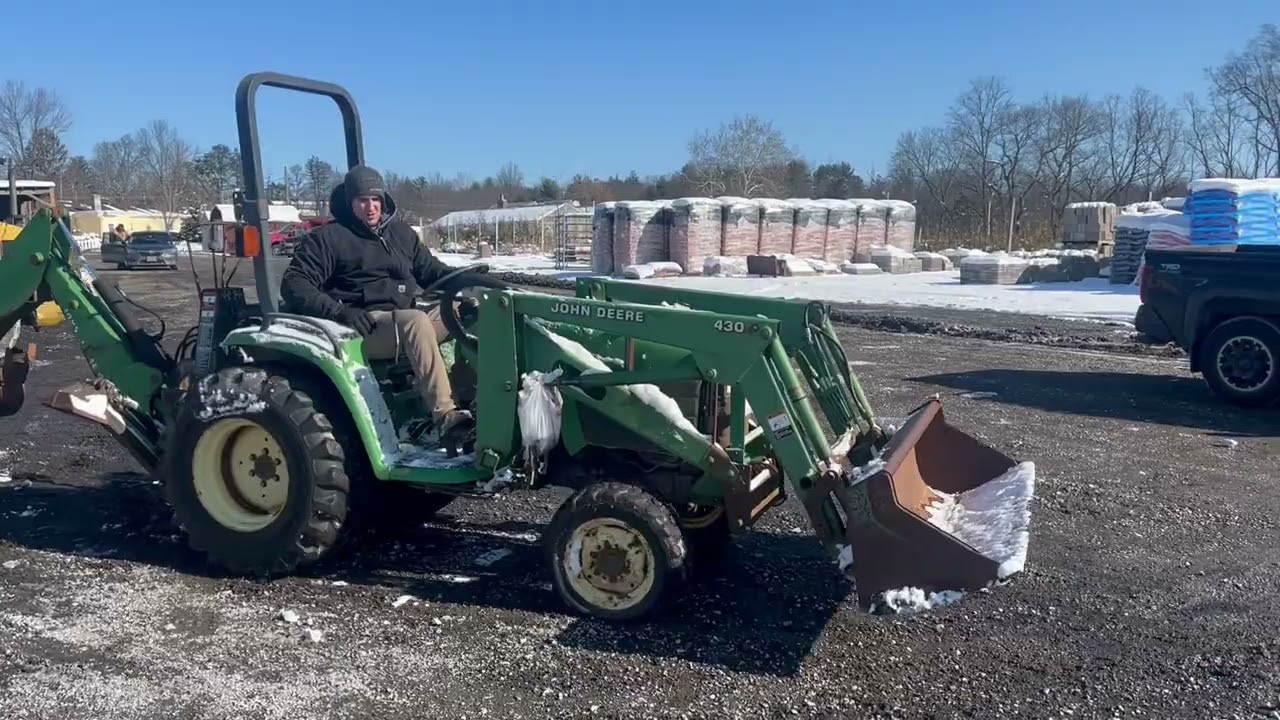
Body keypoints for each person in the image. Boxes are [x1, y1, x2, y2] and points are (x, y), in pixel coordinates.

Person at [279, 165, 473, 444]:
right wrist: (340, 311)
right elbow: (294, 283)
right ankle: (446, 416)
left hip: (404, 322)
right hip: (364, 327)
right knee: (415, 321)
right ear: (350, 202)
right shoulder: (329, 239)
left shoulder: (401, 234)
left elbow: (432, 272)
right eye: (362, 200)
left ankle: (474, 396)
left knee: (470, 309)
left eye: (375, 199)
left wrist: (469, 280)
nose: (370, 207)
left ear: (384, 201)